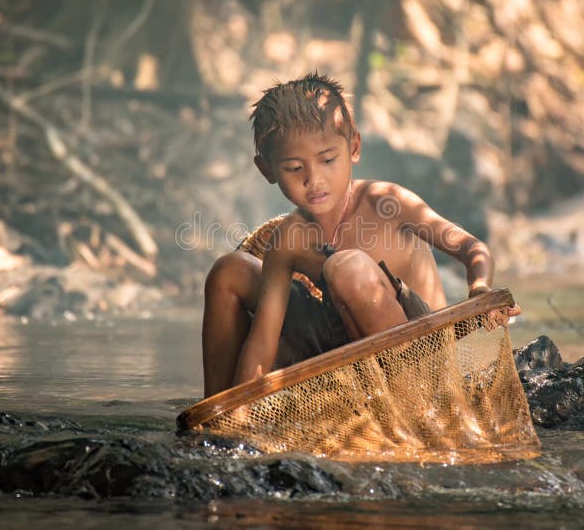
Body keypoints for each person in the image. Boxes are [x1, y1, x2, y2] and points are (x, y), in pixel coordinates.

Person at [201, 72, 516, 397]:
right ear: (267, 170)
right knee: (229, 269)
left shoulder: (388, 203)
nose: (314, 180)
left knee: (346, 267)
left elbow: (472, 248)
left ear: (353, 147)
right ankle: (218, 419)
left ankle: (408, 410)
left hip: (418, 358)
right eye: (295, 168)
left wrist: (479, 289)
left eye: (327, 160)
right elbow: (264, 339)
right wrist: (239, 406)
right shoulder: (289, 237)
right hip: (342, 348)